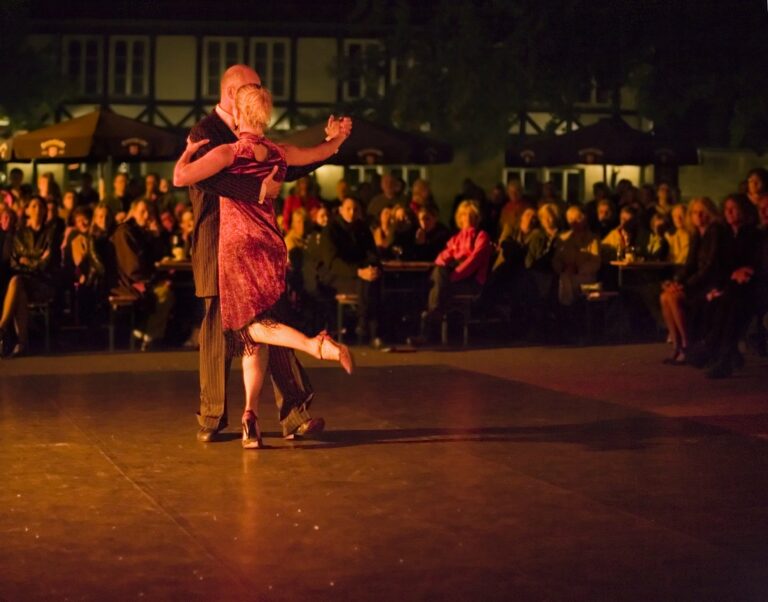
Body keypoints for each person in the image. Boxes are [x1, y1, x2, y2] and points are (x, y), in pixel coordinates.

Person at [174, 79, 354, 449]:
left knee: (251, 328)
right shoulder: (278, 152)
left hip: (238, 250)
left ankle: (317, 346)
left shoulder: (229, 151)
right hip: (270, 246)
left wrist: (187, 154)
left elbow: (181, 178)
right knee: (253, 342)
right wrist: (336, 138)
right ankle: (250, 418)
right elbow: (317, 153)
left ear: (239, 113)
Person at [659, 197, 725, 365]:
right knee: (665, 296)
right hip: (697, 281)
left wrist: (686, 285)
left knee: (673, 297)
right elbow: (690, 264)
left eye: (703, 212)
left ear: (710, 213)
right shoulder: (696, 234)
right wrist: (676, 281)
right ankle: (677, 345)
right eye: (695, 212)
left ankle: (687, 344)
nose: (698, 216)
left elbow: (710, 265)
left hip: (710, 282)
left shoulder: (715, 231)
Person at [110, 199, 175, 351]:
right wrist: (154, 279)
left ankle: (144, 333)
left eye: (149, 212)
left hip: (141, 278)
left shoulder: (140, 232)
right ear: (133, 212)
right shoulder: (124, 232)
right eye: (142, 212)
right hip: (126, 283)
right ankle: (149, 336)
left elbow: (158, 255)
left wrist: (156, 235)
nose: (146, 216)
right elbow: (133, 268)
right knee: (165, 294)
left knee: (170, 288)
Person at [420, 200, 493, 334]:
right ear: (460, 217)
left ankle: (429, 325)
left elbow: (473, 262)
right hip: (452, 278)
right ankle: (431, 320)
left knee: (436, 284)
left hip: (471, 281)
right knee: (434, 278)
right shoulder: (456, 238)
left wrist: (452, 277)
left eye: (471, 214)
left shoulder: (481, 236)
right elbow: (441, 258)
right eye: (464, 214)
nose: (468, 217)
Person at [320, 196, 382, 343]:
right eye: (348, 209)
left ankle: (364, 324)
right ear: (341, 210)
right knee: (365, 282)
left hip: (361, 272)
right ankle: (368, 326)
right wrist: (358, 271)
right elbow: (333, 262)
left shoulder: (362, 229)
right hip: (336, 275)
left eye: (355, 209)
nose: (352, 212)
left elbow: (372, 253)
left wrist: (373, 268)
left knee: (372, 279)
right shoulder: (330, 230)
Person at [0, 197, 56, 357]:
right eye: (33, 206)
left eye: (40, 206)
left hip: (43, 282)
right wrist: (37, 258)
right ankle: (22, 344)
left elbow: (47, 263)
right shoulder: (19, 235)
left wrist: (27, 260)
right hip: (23, 281)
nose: (37, 209)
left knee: (16, 283)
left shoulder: (51, 233)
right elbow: (14, 263)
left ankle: (2, 327)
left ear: (45, 211)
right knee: (19, 289)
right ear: (27, 210)